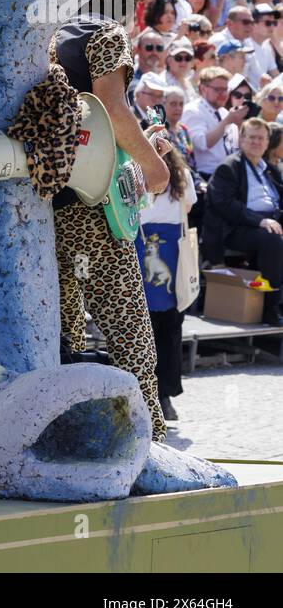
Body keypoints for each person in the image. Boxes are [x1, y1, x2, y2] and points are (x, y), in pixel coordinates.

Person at [52, 0, 171, 441]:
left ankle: (72, 435)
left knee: (64, 333)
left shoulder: (51, 35)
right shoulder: (104, 34)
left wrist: (135, 147)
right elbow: (112, 109)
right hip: (92, 207)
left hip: (45, 203)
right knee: (128, 329)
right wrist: (154, 166)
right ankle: (150, 442)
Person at [135, 135, 195, 421]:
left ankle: (159, 394)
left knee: (159, 328)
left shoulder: (176, 175)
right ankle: (156, 394)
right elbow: (188, 208)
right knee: (159, 329)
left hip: (157, 251)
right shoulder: (143, 171)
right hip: (156, 249)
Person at [205, 117, 283, 325]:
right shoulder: (230, 167)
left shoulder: (270, 170)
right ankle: (270, 307)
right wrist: (260, 221)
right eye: (252, 137)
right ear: (242, 139)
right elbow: (225, 205)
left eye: (261, 138)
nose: (256, 142)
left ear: (268, 142)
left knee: (273, 234)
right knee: (272, 239)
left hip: (269, 222)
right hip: (237, 228)